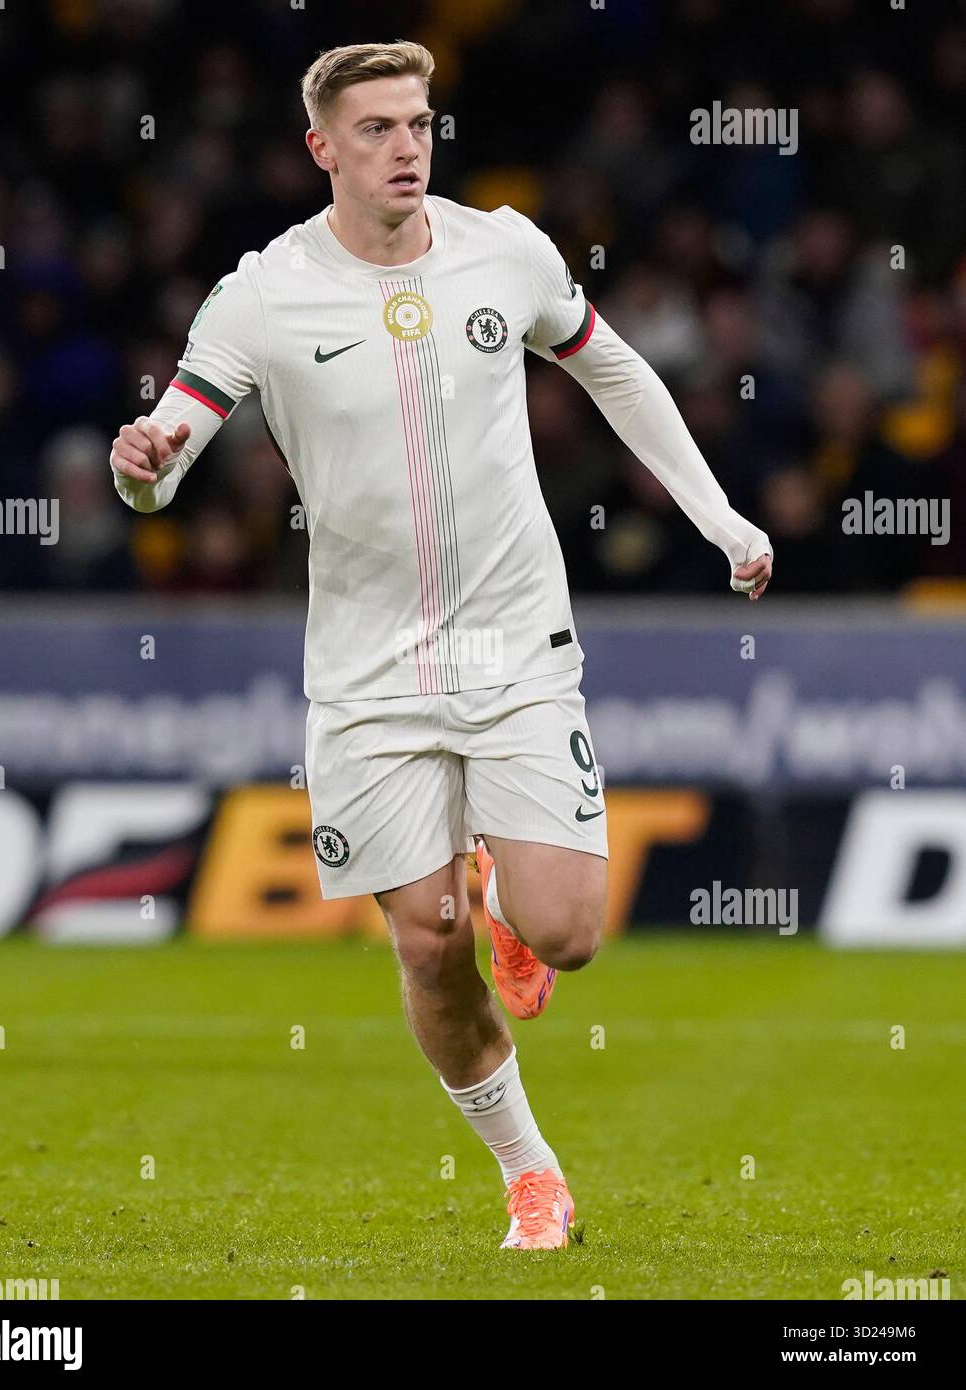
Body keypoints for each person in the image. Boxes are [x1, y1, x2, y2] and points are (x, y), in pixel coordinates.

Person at [110, 40, 773, 1250]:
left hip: (517, 643)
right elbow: (169, 449)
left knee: (565, 931)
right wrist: (143, 471)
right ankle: (531, 1174)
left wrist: (719, 515)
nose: (406, 147)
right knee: (427, 938)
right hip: (366, 675)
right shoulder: (260, 293)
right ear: (322, 148)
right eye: (376, 130)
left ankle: (518, 915)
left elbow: (616, 370)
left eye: (418, 123)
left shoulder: (504, 250)